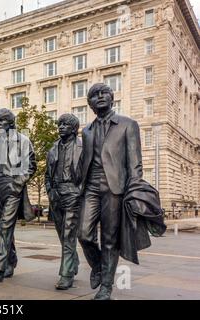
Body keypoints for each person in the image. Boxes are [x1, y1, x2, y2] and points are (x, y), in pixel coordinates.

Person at [77, 83, 144, 300]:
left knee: (109, 239)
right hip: (90, 188)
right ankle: (98, 266)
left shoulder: (128, 125)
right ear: (90, 104)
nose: (100, 97)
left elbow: (135, 163)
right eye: (94, 95)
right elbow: (84, 161)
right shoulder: (86, 131)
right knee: (84, 234)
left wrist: (134, 191)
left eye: (104, 93)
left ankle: (106, 286)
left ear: (112, 98)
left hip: (115, 188)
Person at [0, 108, 37, 283]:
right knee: (3, 228)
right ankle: (11, 259)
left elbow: (31, 165)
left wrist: (17, 183)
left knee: (6, 227)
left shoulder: (23, 140)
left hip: (13, 188)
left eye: (2, 120)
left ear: (11, 121)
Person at [45, 114, 82, 290]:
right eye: (59, 124)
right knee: (62, 235)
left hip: (73, 193)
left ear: (74, 128)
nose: (60, 127)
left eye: (65, 124)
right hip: (56, 195)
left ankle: (66, 275)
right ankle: (73, 261)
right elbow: (47, 174)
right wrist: (50, 191)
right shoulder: (53, 148)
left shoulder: (83, 147)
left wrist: (80, 191)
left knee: (68, 235)